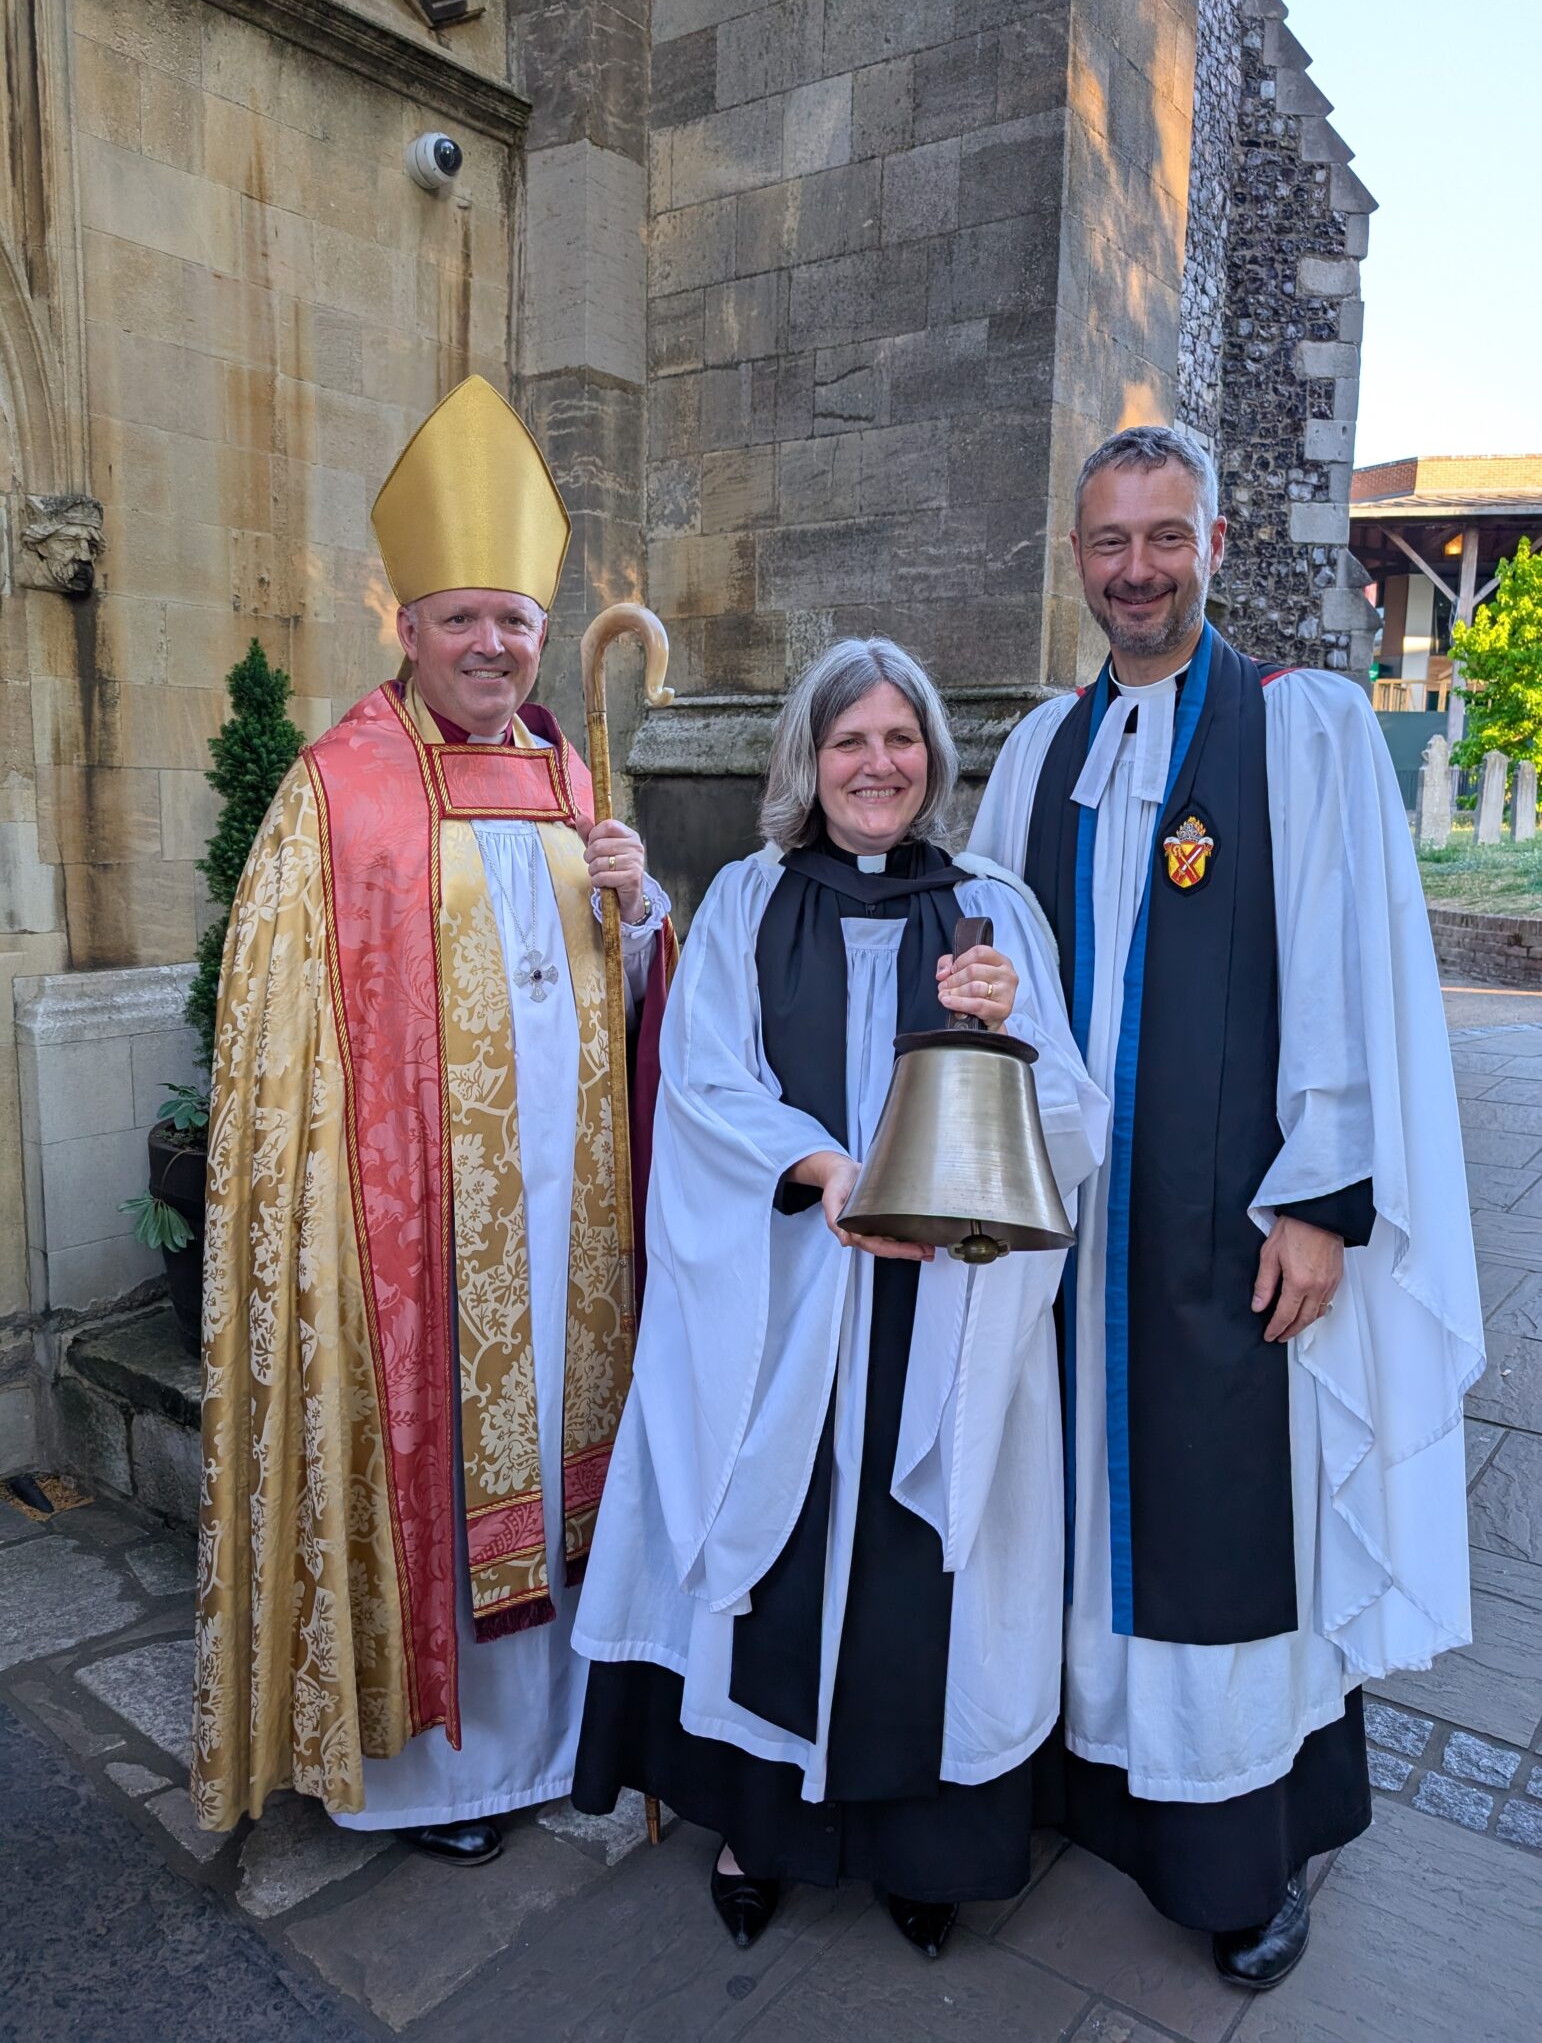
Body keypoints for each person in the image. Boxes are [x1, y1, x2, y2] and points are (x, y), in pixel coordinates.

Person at [970, 425, 1483, 1986]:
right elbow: (988, 962)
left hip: (1230, 1236)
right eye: (1108, 541)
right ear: (1077, 559)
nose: (1136, 568)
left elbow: (1343, 971)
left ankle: (1238, 1854)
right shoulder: (1037, 754)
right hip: (1070, 1239)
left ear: (1210, 543)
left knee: (1225, 1534)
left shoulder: (1299, 728)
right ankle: (1088, 1790)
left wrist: (1322, 1201)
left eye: (1163, 537)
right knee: (1072, 1520)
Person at [191, 377, 673, 1862]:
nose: (491, 646)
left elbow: (627, 989)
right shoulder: (337, 793)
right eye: (461, 619)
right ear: (403, 626)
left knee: (560, 1453)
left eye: (513, 623)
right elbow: (281, 1040)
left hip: (565, 1217)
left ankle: (557, 1731)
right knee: (443, 1462)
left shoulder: (569, 771)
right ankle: (428, 1773)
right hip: (416, 1227)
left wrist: (642, 908)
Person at [570, 639, 1108, 1957]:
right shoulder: (752, 900)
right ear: (805, 764)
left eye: (900, 739)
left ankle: (919, 1849)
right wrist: (825, 1177)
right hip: (794, 1305)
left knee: (921, 1574)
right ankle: (758, 1830)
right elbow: (702, 1091)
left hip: (943, 1313)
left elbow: (1070, 1124)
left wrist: (1005, 1031)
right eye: (848, 741)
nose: (877, 765)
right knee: (786, 1559)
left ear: (934, 757)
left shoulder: (995, 909)